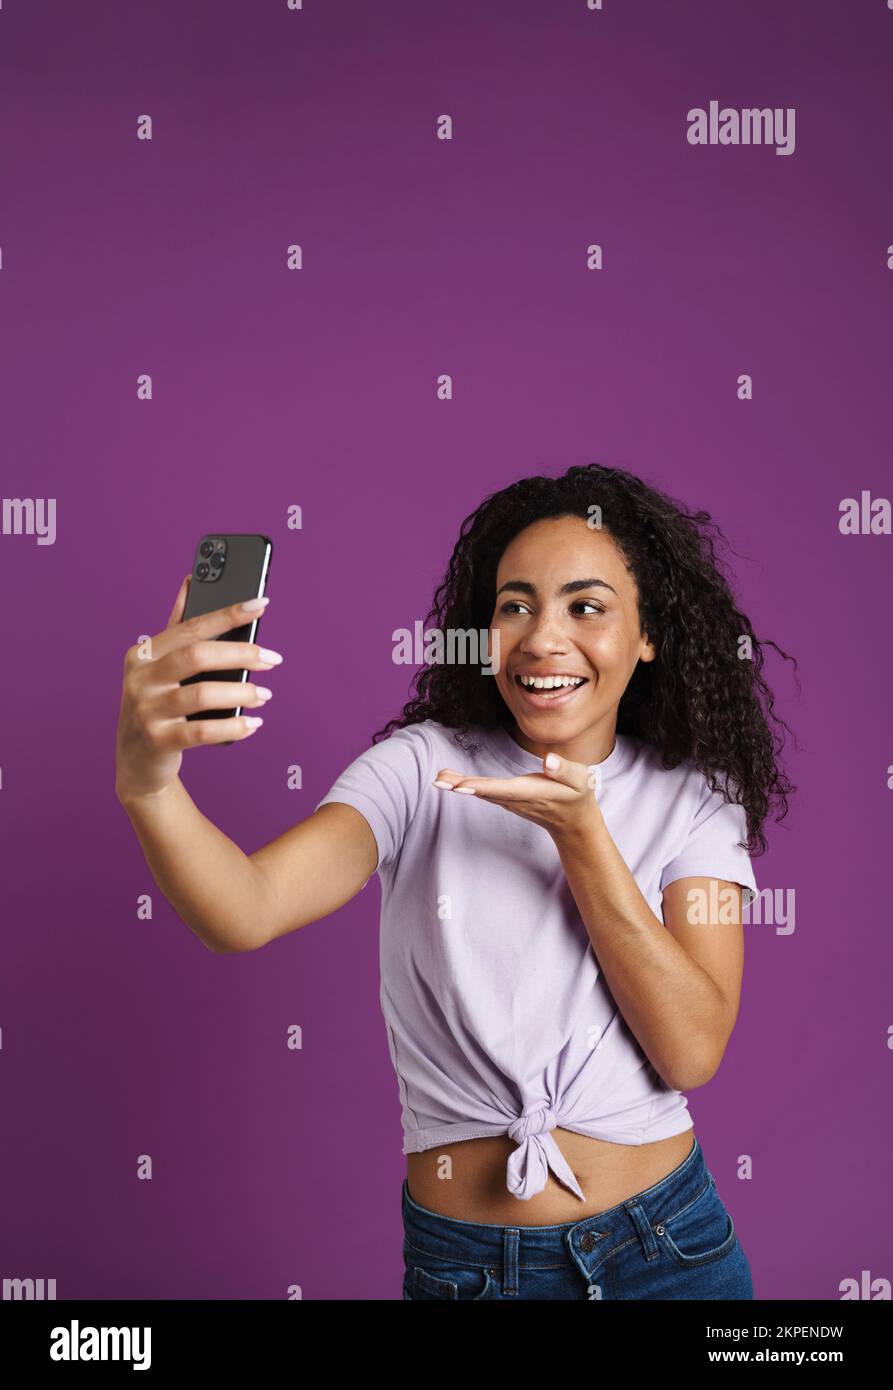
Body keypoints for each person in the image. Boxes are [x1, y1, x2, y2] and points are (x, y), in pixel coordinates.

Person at [115, 462, 795, 1300]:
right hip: (472, 1271)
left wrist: (583, 839)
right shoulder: (417, 771)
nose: (543, 637)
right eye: (515, 606)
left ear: (647, 634)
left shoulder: (696, 799)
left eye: (585, 607)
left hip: (668, 1252)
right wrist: (150, 784)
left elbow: (691, 1050)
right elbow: (245, 910)